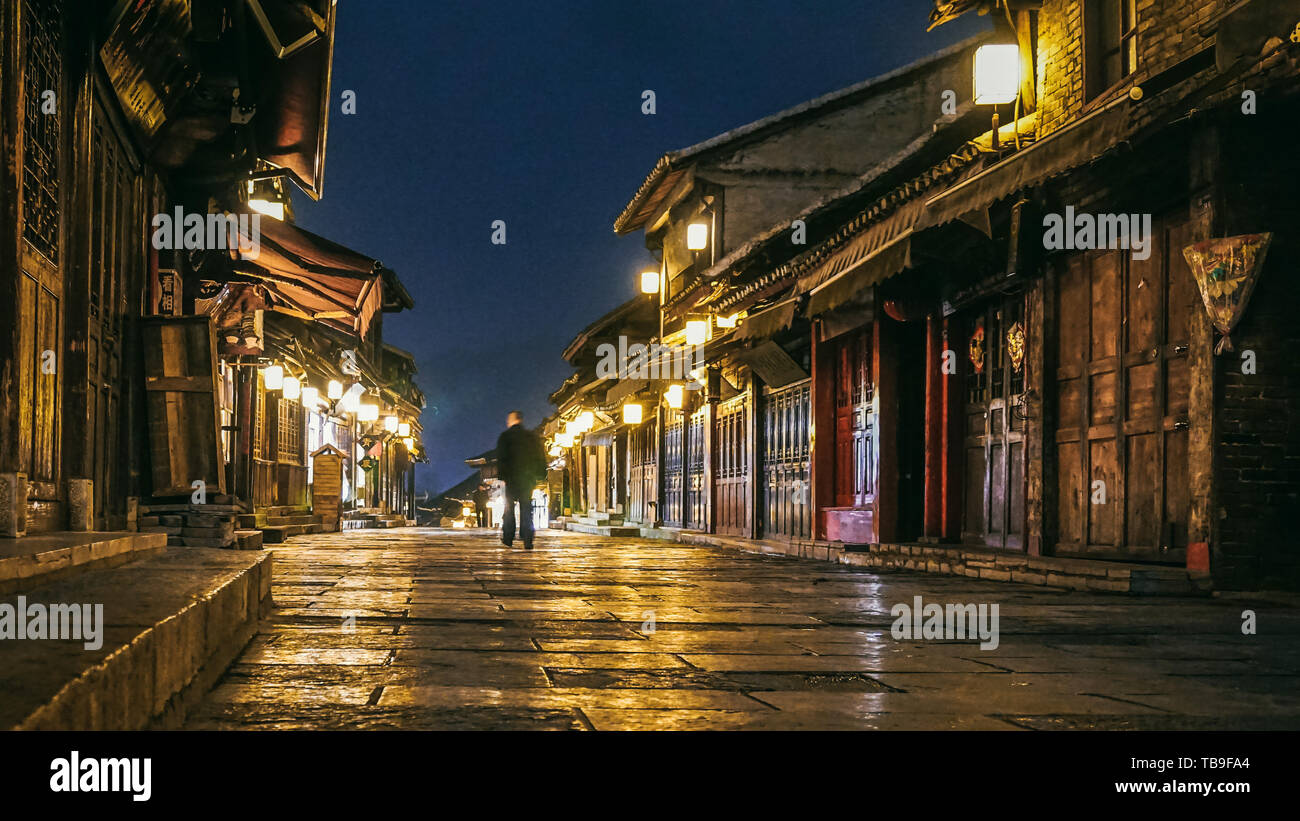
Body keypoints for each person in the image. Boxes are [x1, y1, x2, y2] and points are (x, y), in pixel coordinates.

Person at [495, 410, 547, 549]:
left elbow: (502, 458)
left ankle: (508, 537)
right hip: (527, 478)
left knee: (509, 508)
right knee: (526, 508)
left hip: (511, 478)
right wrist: (540, 474)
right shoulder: (531, 437)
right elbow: (540, 456)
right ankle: (527, 538)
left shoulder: (506, 437)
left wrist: (502, 477)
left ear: (512, 420)